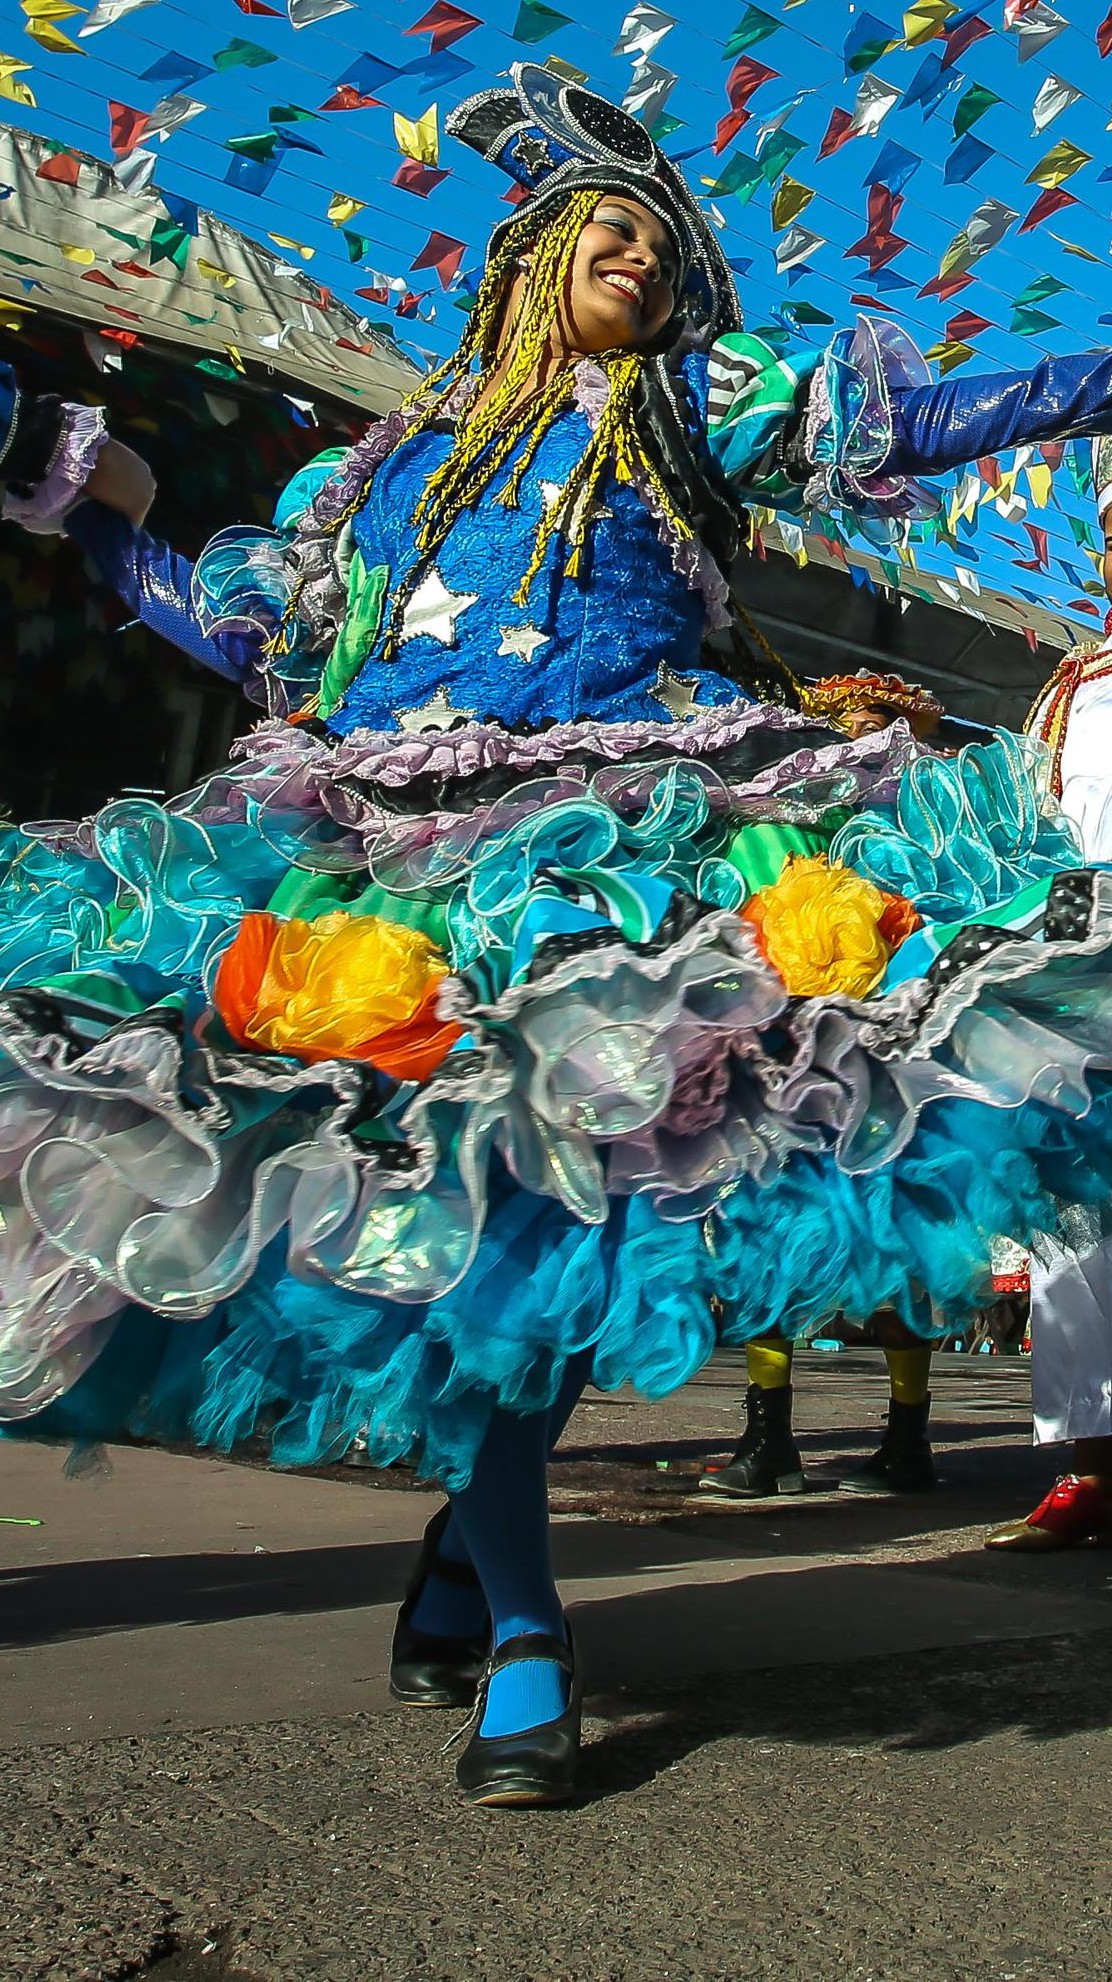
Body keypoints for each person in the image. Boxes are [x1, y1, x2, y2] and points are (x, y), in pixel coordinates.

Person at [7, 67, 1112, 1807]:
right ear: (527, 256)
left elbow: (945, 417)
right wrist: (82, 501)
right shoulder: (373, 478)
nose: (637, 260)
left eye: (658, 250)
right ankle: (522, 1623)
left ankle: (473, 1548)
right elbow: (256, 639)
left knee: (578, 1232)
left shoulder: (690, 403)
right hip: (389, 867)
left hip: (629, 863)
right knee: (476, 1243)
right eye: (608, 232)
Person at [984, 436, 1112, 1553]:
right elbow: (1040, 837)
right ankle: (1089, 1462)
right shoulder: (1069, 688)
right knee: (1071, 1222)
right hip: (1081, 976)